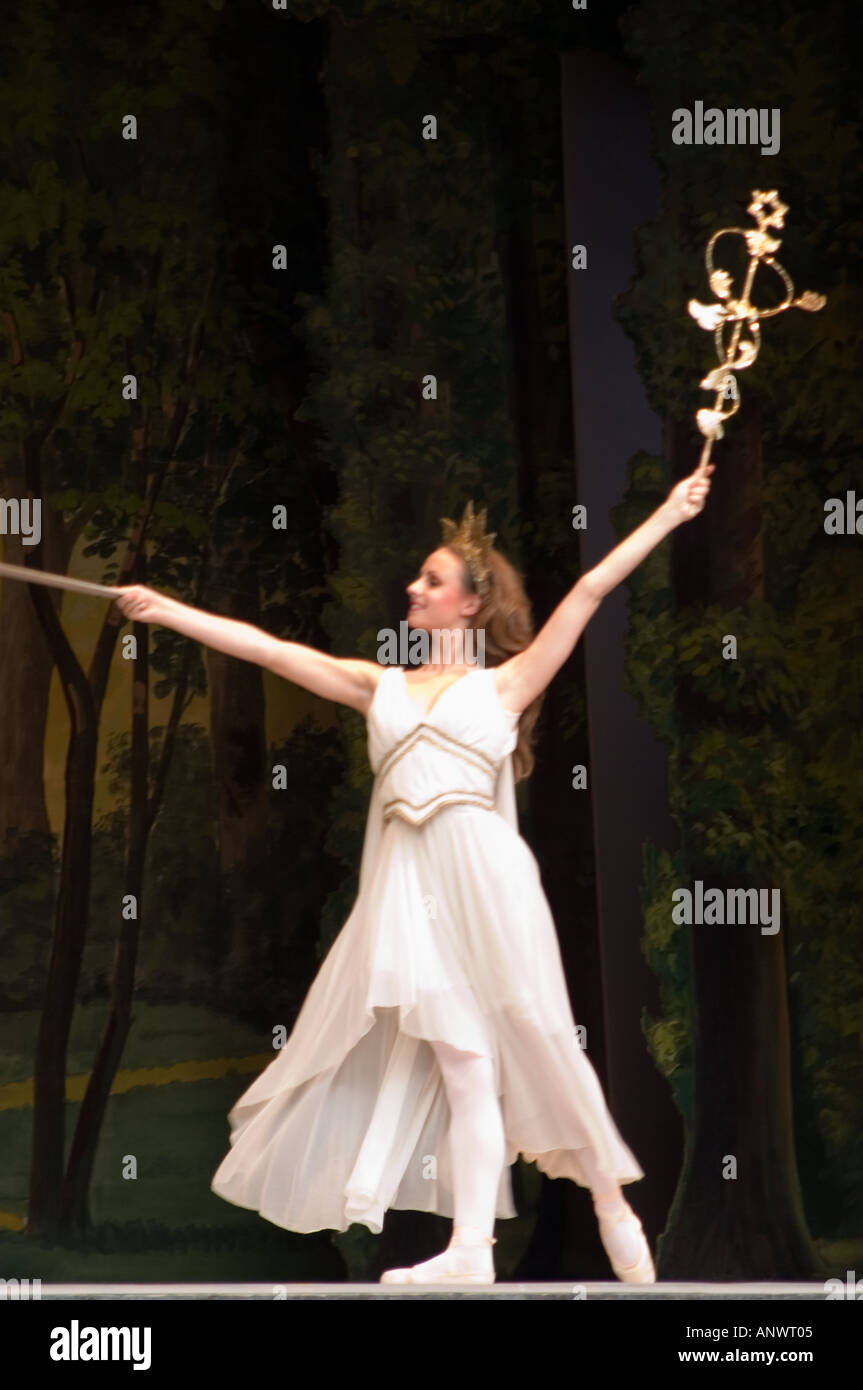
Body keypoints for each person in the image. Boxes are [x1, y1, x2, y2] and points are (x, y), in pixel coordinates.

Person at [113, 463, 713, 1285]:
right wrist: (164, 609)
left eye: (430, 579)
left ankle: (609, 1199)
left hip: (484, 880)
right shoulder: (380, 687)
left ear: (470, 603)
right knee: (463, 1063)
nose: (413, 586)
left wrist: (671, 514)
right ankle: (471, 1247)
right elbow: (269, 649)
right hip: (410, 893)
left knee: (532, 1037)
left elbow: (588, 590)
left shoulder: (505, 684)